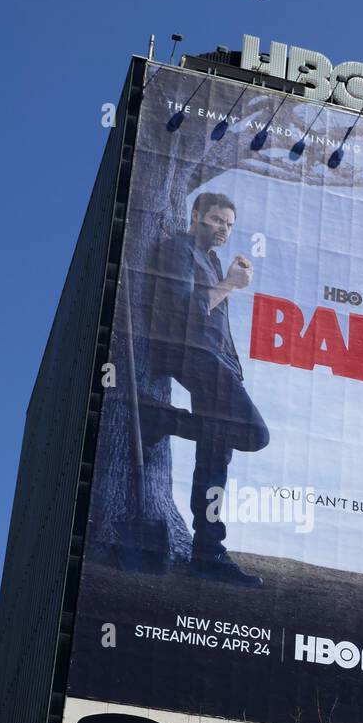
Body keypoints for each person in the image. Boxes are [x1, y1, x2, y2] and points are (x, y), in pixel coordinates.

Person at [139, 192, 269, 587]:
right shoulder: (178, 249)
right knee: (254, 434)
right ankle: (160, 416)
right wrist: (230, 284)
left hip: (217, 362)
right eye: (215, 219)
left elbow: (217, 323)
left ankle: (206, 552)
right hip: (192, 354)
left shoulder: (212, 261)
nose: (223, 229)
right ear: (195, 215)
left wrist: (235, 369)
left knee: (215, 460)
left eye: (228, 224)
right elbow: (182, 310)